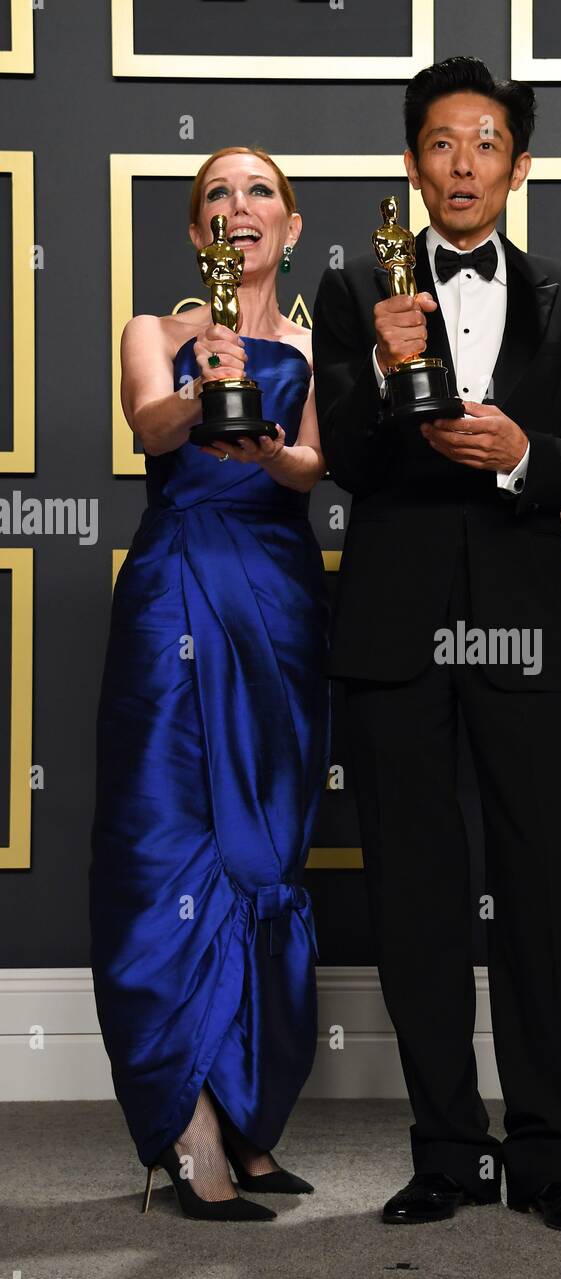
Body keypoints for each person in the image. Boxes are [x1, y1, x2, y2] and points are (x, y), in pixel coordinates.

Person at [313, 57, 561, 1234]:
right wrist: (389, 371)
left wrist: (523, 458)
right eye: (441, 143)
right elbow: (342, 456)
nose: (462, 165)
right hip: (394, 631)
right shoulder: (353, 296)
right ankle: (445, 1146)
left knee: (541, 889)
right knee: (418, 894)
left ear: (518, 166)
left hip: (524, 631)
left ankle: (549, 1150)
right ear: (411, 162)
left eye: (486, 144)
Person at [90, 147, 330, 1221]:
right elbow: (149, 424)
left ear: (287, 226)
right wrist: (202, 379)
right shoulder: (158, 330)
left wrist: (278, 452)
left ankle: (244, 1110)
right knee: (169, 841)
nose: (239, 209)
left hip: (277, 594)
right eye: (217, 196)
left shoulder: (315, 346)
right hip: (178, 584)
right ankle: (188, 1135)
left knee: (265, 846)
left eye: (259, 194)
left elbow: (313, 467)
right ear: (200, 232)